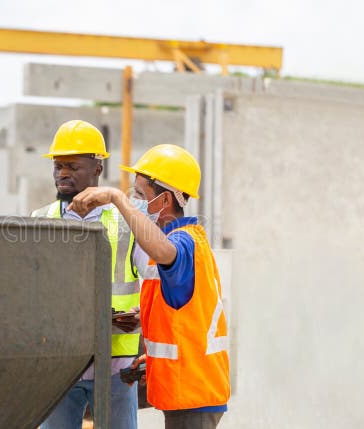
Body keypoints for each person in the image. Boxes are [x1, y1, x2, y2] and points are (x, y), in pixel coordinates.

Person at [69, 144, 230, 429]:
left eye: (141, 195)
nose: (136, 201)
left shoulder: (183, 243)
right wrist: (153, 360)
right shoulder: (192, 242)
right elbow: (183, 321)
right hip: (191, 391)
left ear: (165, 200)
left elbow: (164, 250)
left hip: (193, 396)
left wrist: (117, 199)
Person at [32, 120, 141, 429]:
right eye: (58, 166)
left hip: (116, 366)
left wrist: (140, 313)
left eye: (72, 166)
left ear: (97, 168)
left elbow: (157, 279)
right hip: (58, 366)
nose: (62, 173)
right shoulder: (39, 220)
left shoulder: (126, 222)